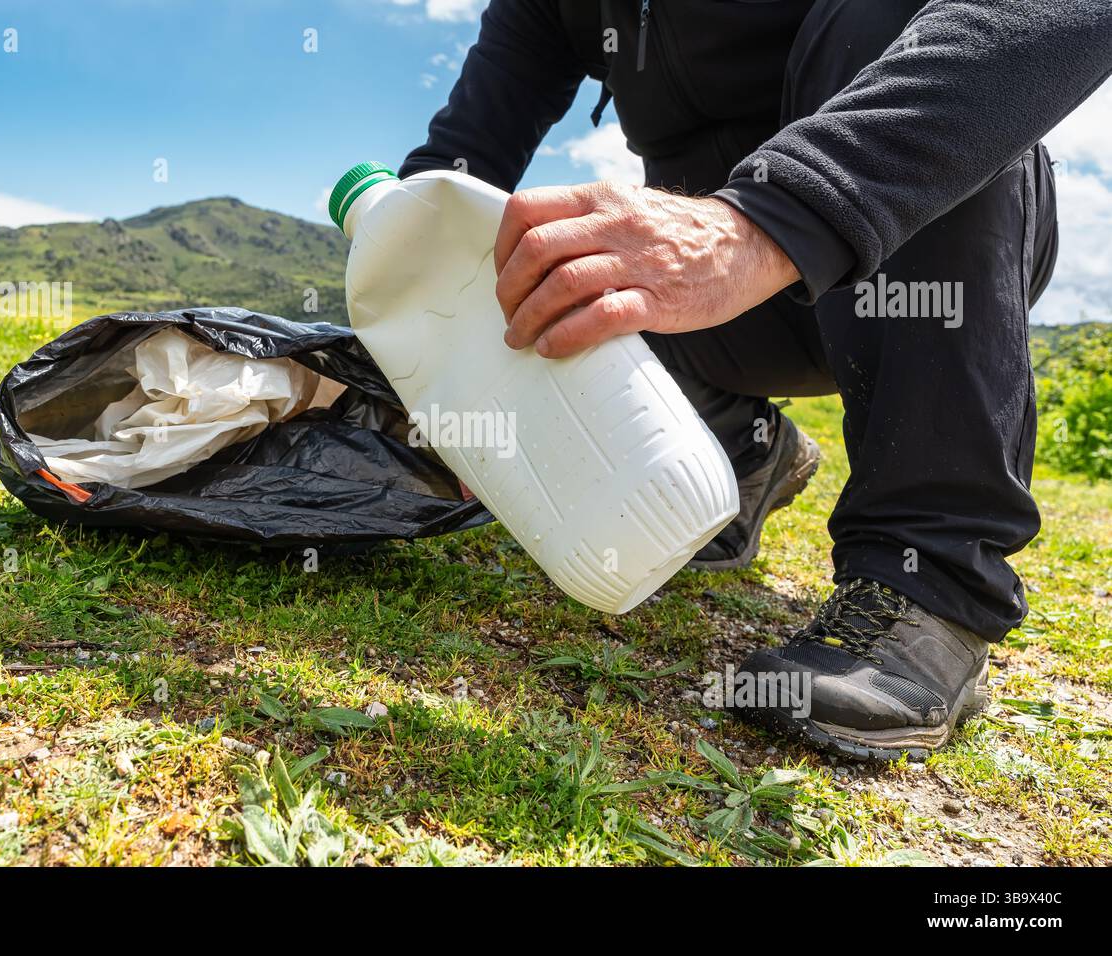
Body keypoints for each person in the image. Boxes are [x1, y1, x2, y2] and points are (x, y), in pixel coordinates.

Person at [399, 0, 1112, 760]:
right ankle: (742, 449)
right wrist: (397, 265)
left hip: (918, 251)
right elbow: (460, 161)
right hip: (724, 312)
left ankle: (930, 587)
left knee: (881, 19)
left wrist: (762, 222)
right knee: (564, 272)